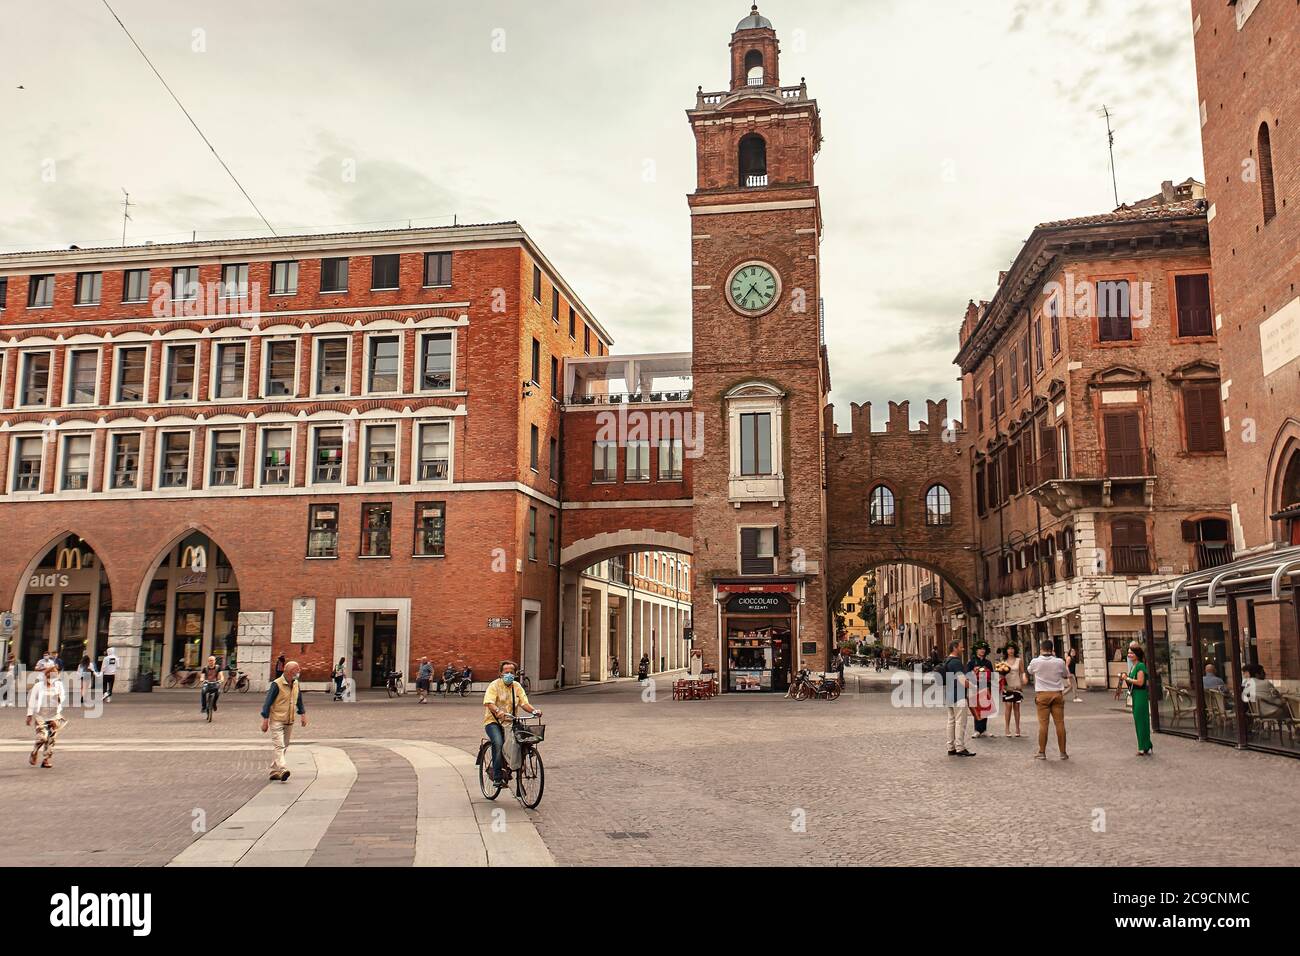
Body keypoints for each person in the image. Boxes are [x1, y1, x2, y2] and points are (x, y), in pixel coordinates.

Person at [481, 660, 542, 784]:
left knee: (525, 739)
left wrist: (534, 711)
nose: (509, 674)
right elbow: (489, 702)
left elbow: (524, 703)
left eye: (512, 672)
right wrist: (498, 711)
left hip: (511, 721)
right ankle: (497, 777)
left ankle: (517, 764)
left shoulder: (517, 686)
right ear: (500, 673)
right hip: (494, 722)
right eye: (506, 672)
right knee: (498, 742)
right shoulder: (494, 685)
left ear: (515, 674)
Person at [260, 660, 307, 781]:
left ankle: (274, 771)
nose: (299, 671)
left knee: (284, 745)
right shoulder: (277, 684)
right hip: (277, 719)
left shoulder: (296, 683)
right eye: (298, 669)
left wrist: (303, 714)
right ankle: (283, 768)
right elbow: (268, 702)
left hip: (289, 719)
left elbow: (299, 699)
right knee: (279, 745)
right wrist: (265, 719)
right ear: (291, 672)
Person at [1027, 640, 1070, 760]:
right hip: (1057, 694)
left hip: (1042, 695)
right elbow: (1066, 675)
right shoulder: (1059, 661)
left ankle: (1042, 752)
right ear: (1052, 649)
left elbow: (1030, 671)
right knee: (1060, 724)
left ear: (1041, 649)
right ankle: (1063, 753)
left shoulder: (1035, 661)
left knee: (1043, 725)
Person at [26, 661, 65, 769]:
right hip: (41, 715)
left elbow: (62, 698)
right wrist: (29, 715)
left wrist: (59, 698)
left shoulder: (58, 685)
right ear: (46, 676)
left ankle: (46, 759)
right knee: (42, 737)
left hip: (54, 715)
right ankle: (34, 751)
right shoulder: (38, 686)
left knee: (51, 739)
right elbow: (32, 700)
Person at [942, 640, 974, 757]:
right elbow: (962, 681)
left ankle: (950, 747)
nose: (963, 649)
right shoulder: (956, 662)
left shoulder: (947, 660)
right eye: (961, 647)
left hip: (950, 695)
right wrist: (974, 687)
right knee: (960, 722)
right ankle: (960, 747)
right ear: (955, 648)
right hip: (959, 696)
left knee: (951, 722)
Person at [1119, 645, 1152, 755]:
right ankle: (1145, 745)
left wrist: (1127, 678)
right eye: (1128, 653)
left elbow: (1140, 682)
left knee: (1141, 720)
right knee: (1138, 720)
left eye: (1131, 653)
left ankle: (1143, 747)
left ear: (1137, 655)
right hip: (1135, 695)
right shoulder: (1133, 666)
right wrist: (1126, 677)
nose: (1129, 655)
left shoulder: (1140, 666)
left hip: (1141, 695)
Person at [967, 644, 996, 737]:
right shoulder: (972, 662)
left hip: (986, 687)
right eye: (980, 649)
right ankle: (977, 730)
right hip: (975, 687)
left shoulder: (988, 662)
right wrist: (974, 672)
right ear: (976, 651)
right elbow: (967, 674)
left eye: (983, 649)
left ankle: (984, 729)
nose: (982, 651)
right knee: (977, 708)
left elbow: (992, 675)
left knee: (985, 708)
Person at [1000, 644, 1028, 738]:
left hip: (1017, 687)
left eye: (1012, 649)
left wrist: (1024, 678)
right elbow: (1001, 675)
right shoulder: (1003, 661)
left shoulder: (1019, 660)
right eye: (1008, 649)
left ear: (1014, 650)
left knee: (1016, 708)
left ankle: (1017, 728)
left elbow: (1022, 672)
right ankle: (1007, 728)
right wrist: (1001, 679)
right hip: (1007, 687)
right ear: (1006, 651)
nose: (1010, 650)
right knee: (1008, 707)